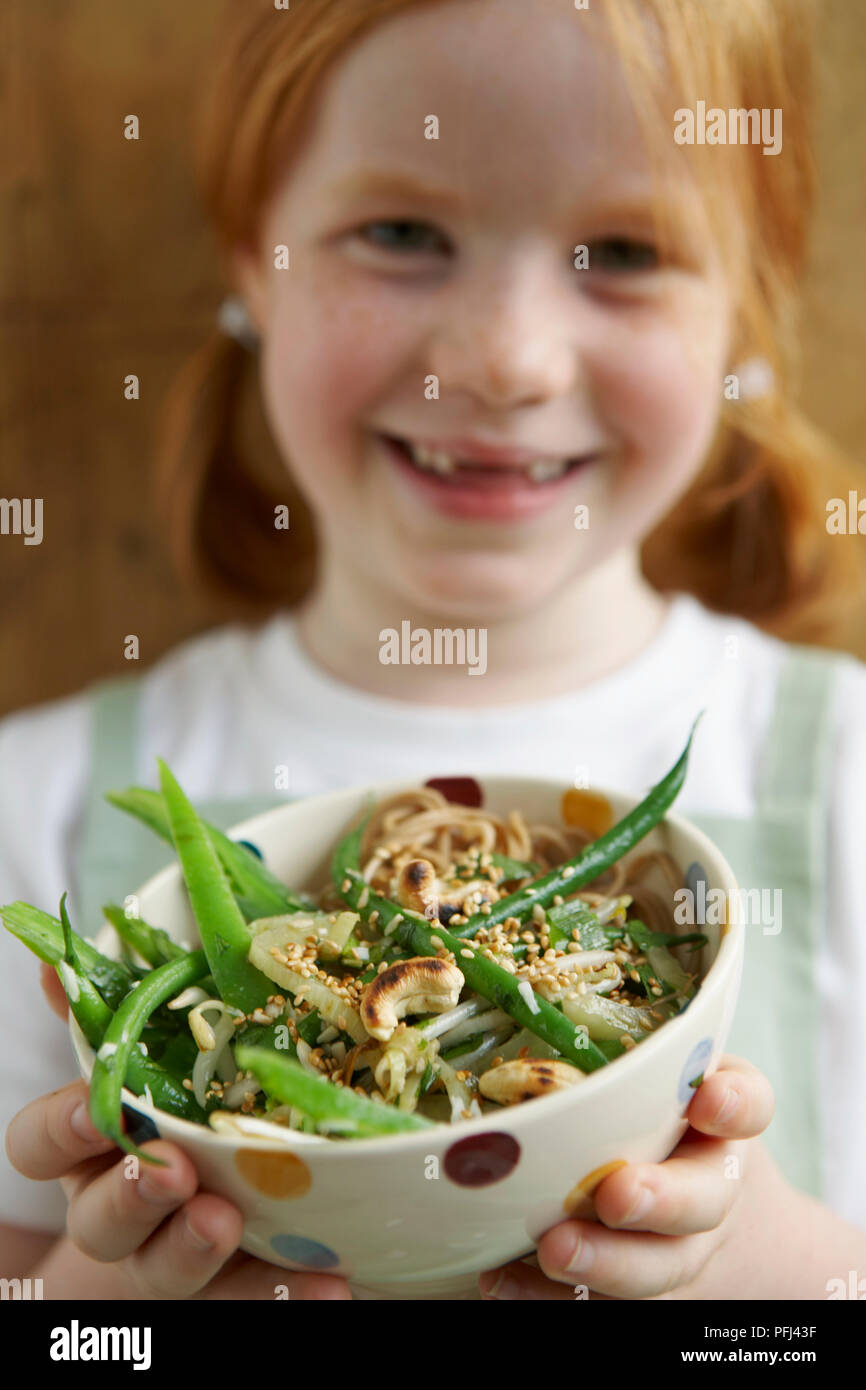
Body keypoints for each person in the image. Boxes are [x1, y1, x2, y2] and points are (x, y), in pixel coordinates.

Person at [2, 0, 865, 1301]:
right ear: (252, 264)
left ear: (749, 302)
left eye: (622, 248)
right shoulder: (36, 806)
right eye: (400, 233)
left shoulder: (843, 774)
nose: (505, 359)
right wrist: (96, 1313)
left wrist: (771, 1288)